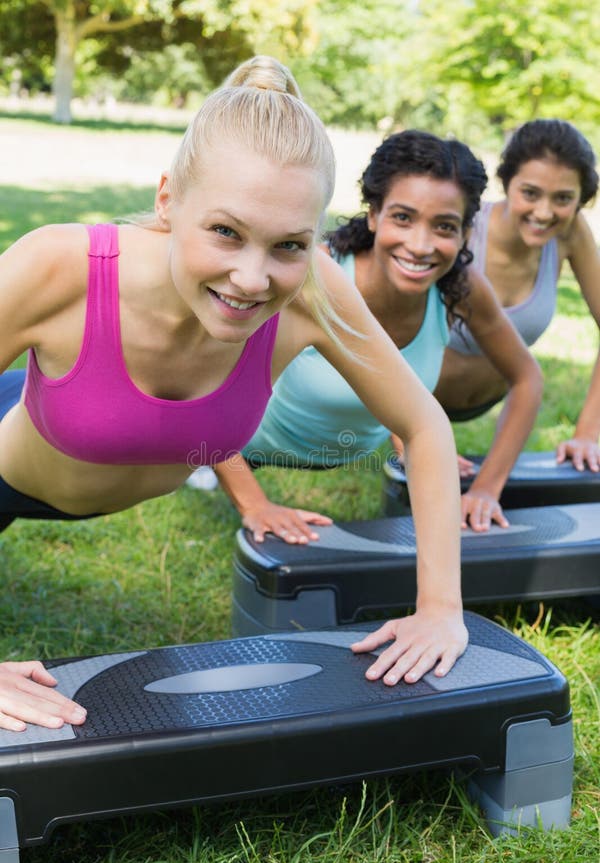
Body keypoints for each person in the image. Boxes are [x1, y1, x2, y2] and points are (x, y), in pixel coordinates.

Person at [0, 59, 467, 732]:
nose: (252, 278)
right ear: (168, 199)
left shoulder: (314, 290)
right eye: (225, 231)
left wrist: (440, 609)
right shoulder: (59, 267)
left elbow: (424, 426)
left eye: (289, 245)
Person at [213, 130, 542, 538]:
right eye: (403, 217)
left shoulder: (459, 287)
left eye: (444, 226)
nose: (420, 245)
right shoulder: (314, 274)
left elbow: (527, 378)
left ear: (465, 232)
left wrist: (484, 488)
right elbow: (205, 387)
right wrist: (255, 505)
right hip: (249, 446)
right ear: (374, 215)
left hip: (352, 453)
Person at [437, 118, 600, 472]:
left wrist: (588, 432)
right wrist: (408, 431)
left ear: (581, 200)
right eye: (530, 193)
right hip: (421, 396)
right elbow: (389, 328)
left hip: (493, 397)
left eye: (563, 198)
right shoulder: (465, 226)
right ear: (506, 182)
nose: (544, 212)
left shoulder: (571, 233)